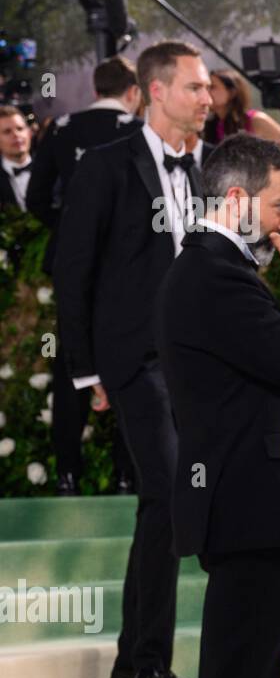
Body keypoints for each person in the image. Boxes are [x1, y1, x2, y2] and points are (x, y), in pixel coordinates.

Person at [156, 133, 280, 678]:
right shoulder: (213, 275)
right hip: (246, 510)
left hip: (247, 509)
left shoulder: (215, 272)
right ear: (236, 200)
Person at [54, 40, 212, 678]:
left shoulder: (204, 172)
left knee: (163, 504)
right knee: (171, 496)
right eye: (196, 87)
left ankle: (136, 663)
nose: (209, 98)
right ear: (156, 93)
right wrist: (86, 372)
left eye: (208, 89)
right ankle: (146, 665)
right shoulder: (106, 167)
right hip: (133, 360)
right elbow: (73, 269)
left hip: (189, 366)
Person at [25, 57, 142, 498]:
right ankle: (126, 474)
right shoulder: (138, 132)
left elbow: (37, 197)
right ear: (133, 91)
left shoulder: (63, 127)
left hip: (73, 268)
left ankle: (67, 475)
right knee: (131, 364)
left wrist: (73, 228)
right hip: (125, 267)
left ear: (96, 87)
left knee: (73, 361)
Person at [203, 68, 280, 146]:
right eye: (206, 88)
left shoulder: (255, 120)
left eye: (212, 87)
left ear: (232, 92)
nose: (206, 92)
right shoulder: (213, 126)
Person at [0, 105, 33, 211]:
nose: (16, 135)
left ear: (29, 133)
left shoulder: (55, 170)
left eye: (20, 129)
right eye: (7, 131)